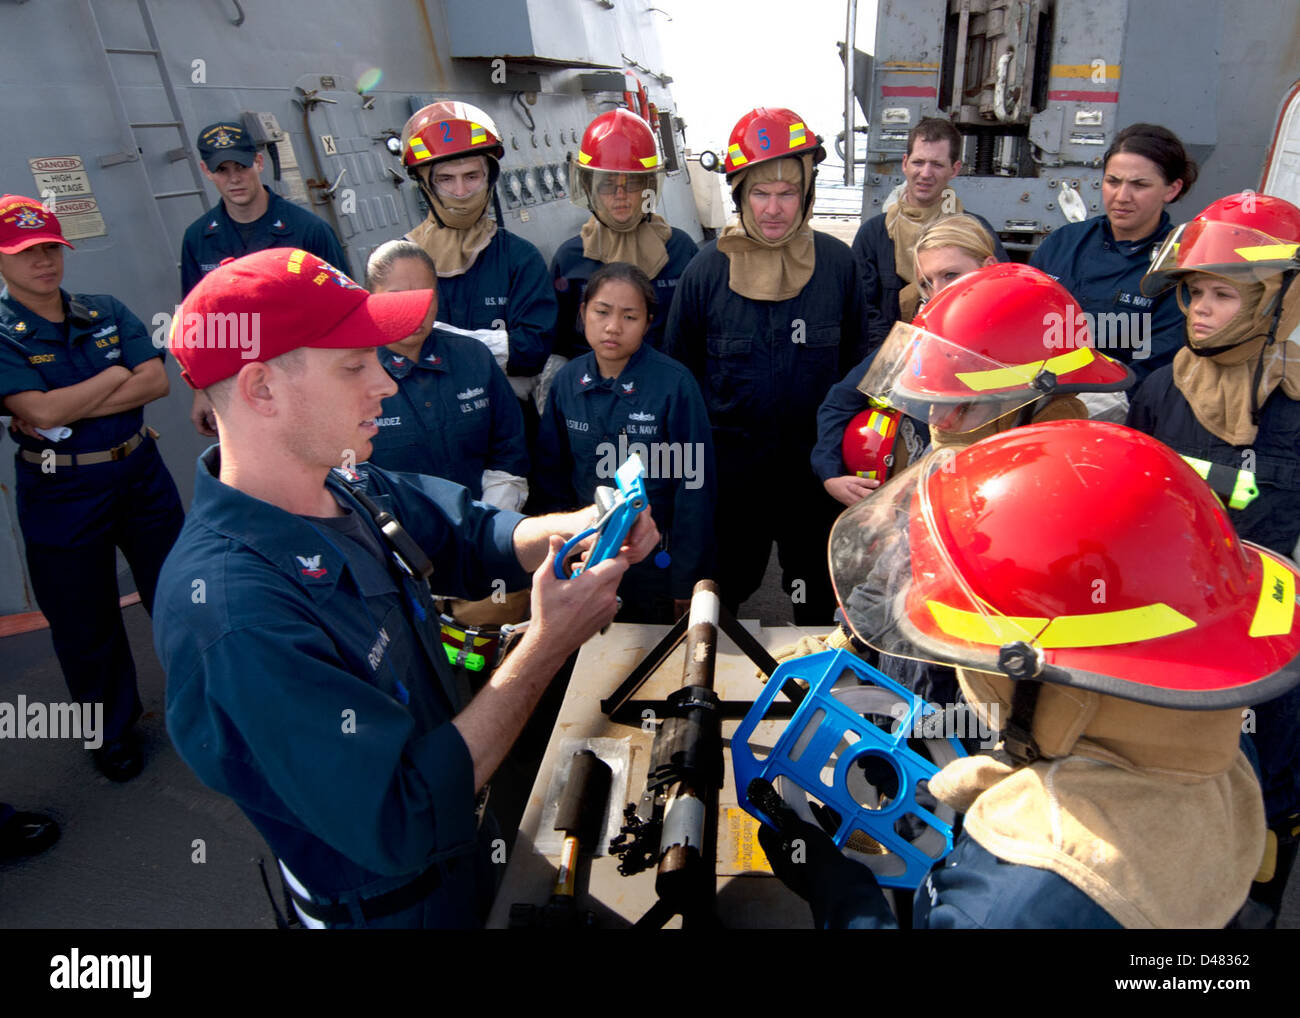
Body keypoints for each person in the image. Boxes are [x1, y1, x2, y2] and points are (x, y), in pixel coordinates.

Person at [152, 247, 658, 929]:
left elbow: (468, 532)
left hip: (472, 847)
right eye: (354, 364)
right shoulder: (234, 614)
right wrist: (548, 643)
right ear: (261, 388)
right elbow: (404, 813)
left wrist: (588, 524)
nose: (387, 383)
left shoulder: (346, 484)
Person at [761, 419, 1300, 928]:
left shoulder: (1009, 902)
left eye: (973, 657)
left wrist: (841, 892)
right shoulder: (1212, 743)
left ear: (1045, 683)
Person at [1128, 190, 1300, 923]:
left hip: (1273, 658)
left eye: (1221, 294)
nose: (1199, 309)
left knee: (1267, 808)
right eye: (1194, 292)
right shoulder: (1161, 390)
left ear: (1276, 301)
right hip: (1171, 639)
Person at [0, 195, 184, 782]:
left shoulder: (103, 308)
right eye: (25, 252)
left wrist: (66, 405)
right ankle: (110, 731)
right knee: (85, 621)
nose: (43, 262)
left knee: (182, 594)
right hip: (61, 493)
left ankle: (211, 700)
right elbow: (38, 408)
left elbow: (156, 381)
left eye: (51, 247)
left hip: (139, 473)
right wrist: (112, 374)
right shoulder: (4, 335)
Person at [664, 107, 866, 625]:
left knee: (816, 599)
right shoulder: (705, 272)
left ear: (807, 193)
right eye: (760, 192)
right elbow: (679, 380)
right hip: (732, 477)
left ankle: (816, 698)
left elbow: (857, 373)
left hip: (814, 473)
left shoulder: (837, 266)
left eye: (787, 192)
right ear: (739, 194)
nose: (773, 208)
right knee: (720, 595)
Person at [536, 261, 715, 623]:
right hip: (586, 554)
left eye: (630, 317)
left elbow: (695, 490)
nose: (613, 327)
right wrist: (559, 554)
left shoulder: (674, 385)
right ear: (583, 312)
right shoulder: (567, 382)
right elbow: (549, 476)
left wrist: (686, 580)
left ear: (648, 323)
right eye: (602, 312)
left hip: (655, 561)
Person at [814, 214, 998, 508]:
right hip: (917, 508)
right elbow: (839, 402)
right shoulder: (915, 342)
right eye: (926, 283)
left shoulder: (1024, 341)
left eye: (951, 275)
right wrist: (830, 473)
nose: (938, 292)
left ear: (988, 269)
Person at [181, 120, 351, 436]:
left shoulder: (307, 231)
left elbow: (347, 314)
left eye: (242, 166)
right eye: (222, 170)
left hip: (306, 378)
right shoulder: (198, 239)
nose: (234, 179)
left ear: (258, 162)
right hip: (240, 384)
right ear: (207, 171)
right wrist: (200, 389)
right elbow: (198, 322)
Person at [399, 101, 557, 434]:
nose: (460, 192)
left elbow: (533, 351)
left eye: (471, 176)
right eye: (446, 179)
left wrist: (440, 338)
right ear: (426, 184)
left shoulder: (520, 257)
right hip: (432, 426)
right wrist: (499, 346)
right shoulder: (399, 263)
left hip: (511, 425)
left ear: (489, 177)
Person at [363, 240, 528, 511]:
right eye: (397, 297)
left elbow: (509, 451)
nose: (413, 309)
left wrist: (488, 525)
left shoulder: (474, 358)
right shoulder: (351, 373)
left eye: (424, 296)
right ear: (371, 298)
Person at [1031, 123, 1198, 382]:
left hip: (1117, 397)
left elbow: (1156, 367)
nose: (1122, 196)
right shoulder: (1063, 242)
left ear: (1172, 189)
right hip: (1034, 386)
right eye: (1113, 181)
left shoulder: (1179, 264)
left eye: (1139, 185)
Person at [549, 109, 697, 364]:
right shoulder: (569, 258)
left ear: (648, 187)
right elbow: (560, 343)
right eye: (607, 184)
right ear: (589, 187)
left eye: (632, 183)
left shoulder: (681, 250)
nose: (620, 195)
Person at [852, 117, 1008, 350]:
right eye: (918, 162)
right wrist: (895, 359)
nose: (925, 173)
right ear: (905, 163)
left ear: (954, 169)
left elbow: (998, 299)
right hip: (889, 361)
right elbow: (864, 311)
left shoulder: (976, 231)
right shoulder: (873, 234)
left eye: (936, 164)